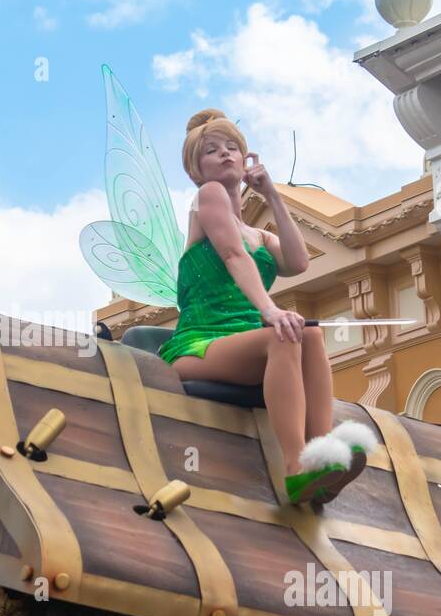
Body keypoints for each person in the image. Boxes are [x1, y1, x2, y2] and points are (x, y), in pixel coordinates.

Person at [158, 110, 379, 506]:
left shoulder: (259, 235)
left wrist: (272, 195)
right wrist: (270, 310)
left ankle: (323, 456)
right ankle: (295, 467)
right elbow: (231, 255)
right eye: (212, 151)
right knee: (285, 335)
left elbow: (298, 262)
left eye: (233, 148)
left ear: (246, 161)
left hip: (246, 342)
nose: (225, 155)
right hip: (201, 343)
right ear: (196, 170)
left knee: (309, 334)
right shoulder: (206, 197)